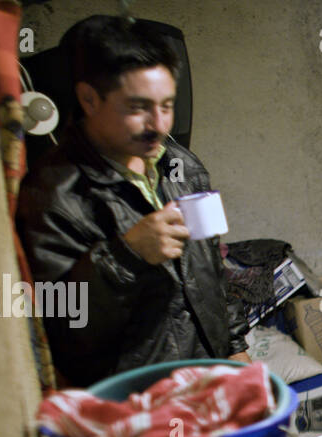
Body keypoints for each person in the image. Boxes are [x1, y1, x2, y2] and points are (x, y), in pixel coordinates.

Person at [17, 15, 248, 387]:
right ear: (89, 99)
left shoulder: (182, 167)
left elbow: (212, 270)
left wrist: (237, 350)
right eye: (139, 107)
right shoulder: (52, 196)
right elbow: (62, 328)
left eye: (167, 105)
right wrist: (126, 255)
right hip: (138, 406)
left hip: (208, 385)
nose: (159, 125)